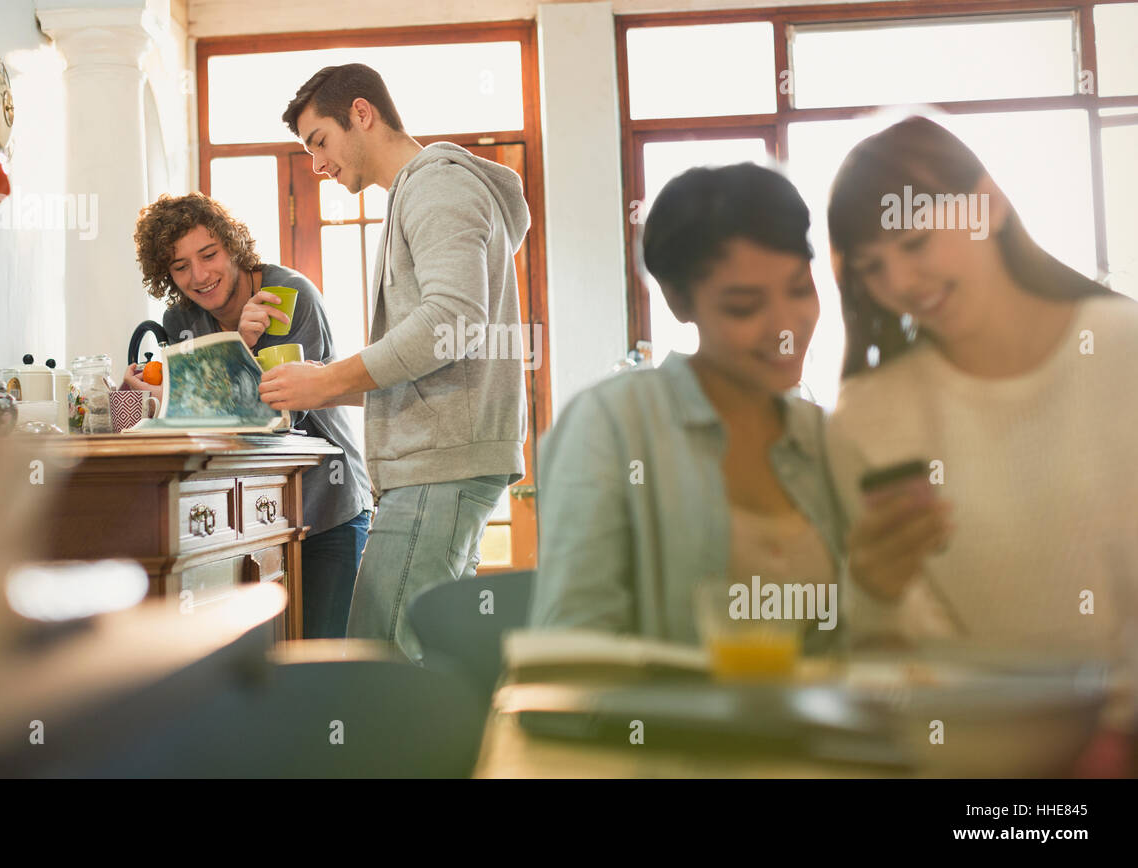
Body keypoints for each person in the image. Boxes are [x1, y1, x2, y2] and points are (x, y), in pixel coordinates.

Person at [824, 115, 1138, 763]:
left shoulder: (1121, 350)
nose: (902, 284)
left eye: (914, 243)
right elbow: (894, 649)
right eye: (872, 267)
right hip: (974, 749)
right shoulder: (867, 416)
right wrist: (873, 590)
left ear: (989, 205)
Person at [264, 63, 529, 663]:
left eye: (319, 142)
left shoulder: (436, 185)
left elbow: (450, 323)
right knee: (426, 660)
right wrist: (318, 389)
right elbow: (434, 356)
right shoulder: (424, 191)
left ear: (362, 114)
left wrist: (327, 379)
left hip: (438, 466)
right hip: (442, 462)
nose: (317, 165)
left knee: (379, 665)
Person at [529, 163, 844, 648]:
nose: (785, 326)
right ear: (679, 302)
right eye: (744, 306)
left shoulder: (820, 438)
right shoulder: (613, 424)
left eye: (800, 290)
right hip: (662, 726)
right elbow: (577, 651)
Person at [123, 192, 372, 639]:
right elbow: (191, 418)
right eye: (180, 267)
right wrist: (137, 397)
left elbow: (278, 417)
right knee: (262, 658)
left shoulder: (288, 296)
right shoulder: (179, 319)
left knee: (319, 649)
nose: (199, 276)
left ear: (233, 246)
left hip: (326, 504)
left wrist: (229, 355)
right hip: (245, 514)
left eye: (209, 254)